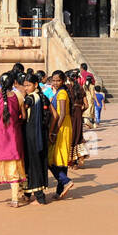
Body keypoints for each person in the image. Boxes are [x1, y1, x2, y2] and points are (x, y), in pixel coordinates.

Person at [0, 71, 27, 207]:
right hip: (14, 135)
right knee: (14, 166)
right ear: (13, 83)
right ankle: (14, 199)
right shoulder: (18, 96)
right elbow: (24, 116)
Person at [21, 72, 52, 204]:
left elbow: (22, 114)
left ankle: (40, 197)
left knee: (32, 164)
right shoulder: (43, 97)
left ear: (35, 84)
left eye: (28, 85)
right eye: (24, 86)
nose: (26, 88)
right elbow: (54, 115)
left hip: (31, 136)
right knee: (38, 162)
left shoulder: (30, 99)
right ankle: (28, 194)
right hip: (42, 135)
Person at [47, 71, 74, 200]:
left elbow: (62, 114)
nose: (55, 83)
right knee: (61, 160)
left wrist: (54, 131)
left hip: (61, 127)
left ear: (63, 81)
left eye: (58, 80)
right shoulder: (59, 92)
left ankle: (65, 181)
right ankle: (59, 190)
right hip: (63, 126)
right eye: (54, 80)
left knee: (51, 159)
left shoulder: (62, 93)